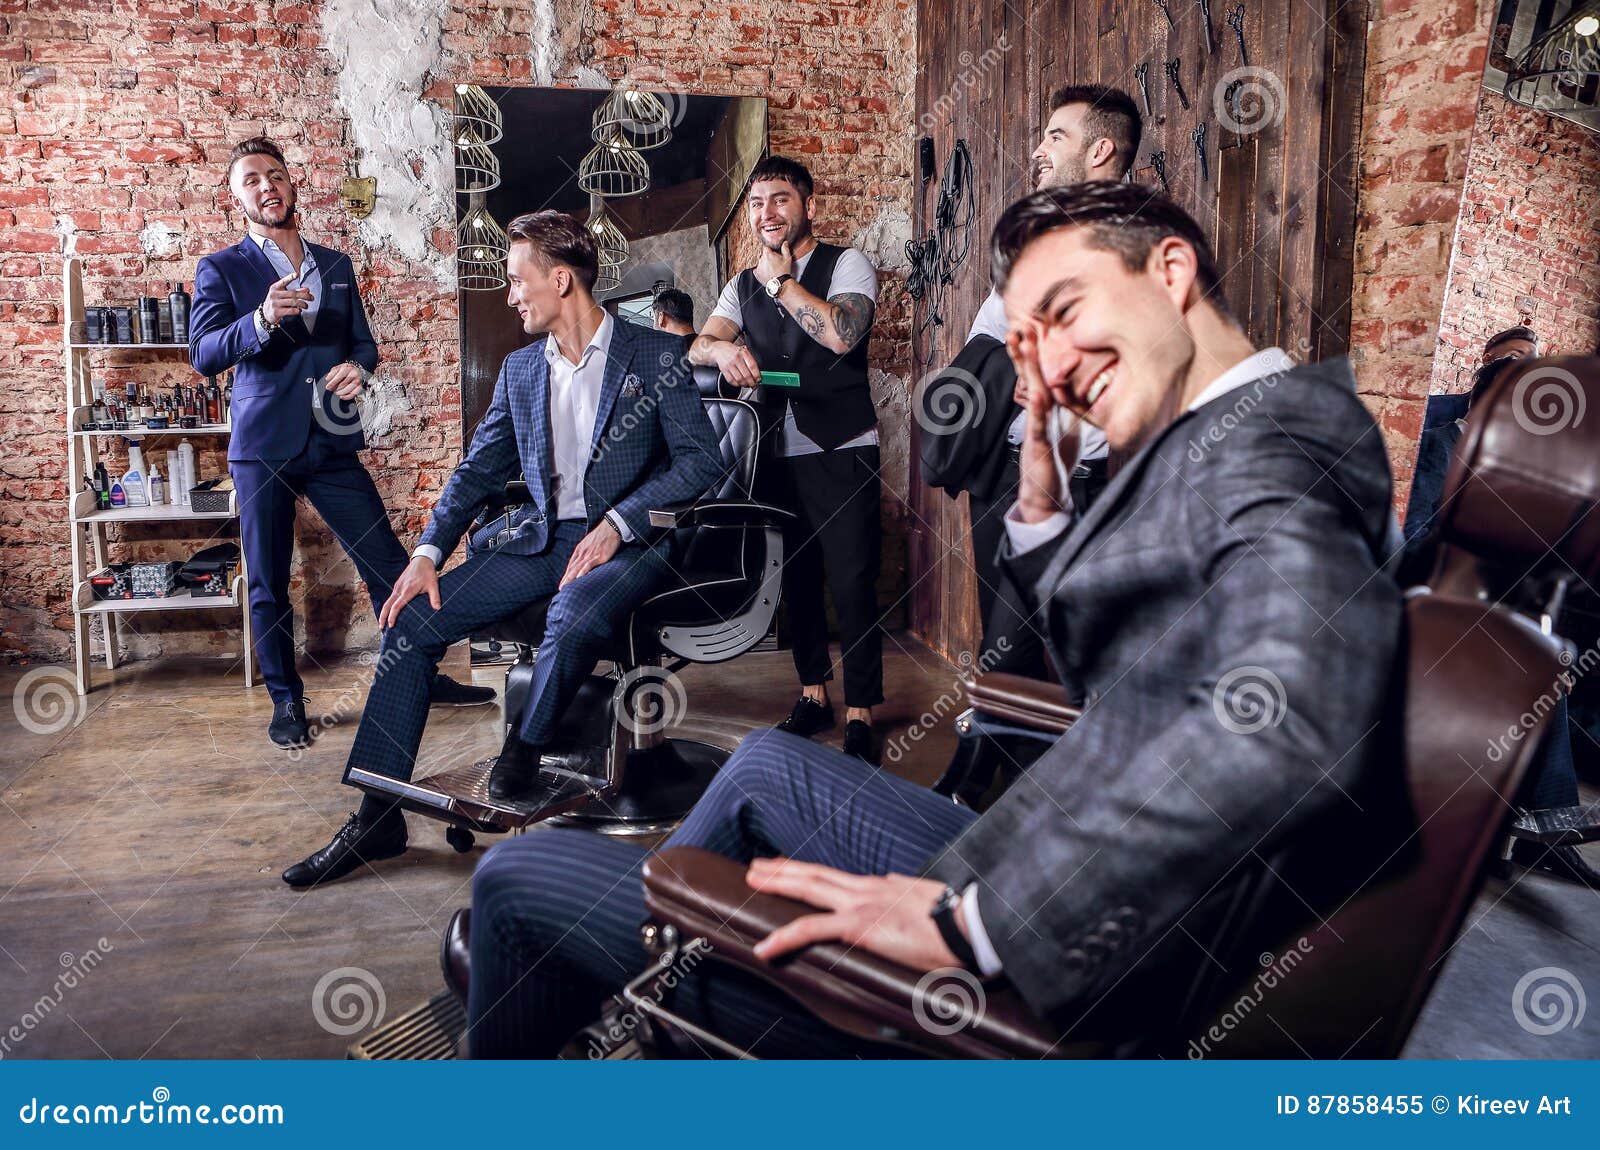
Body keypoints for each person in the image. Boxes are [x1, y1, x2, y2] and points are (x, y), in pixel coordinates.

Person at [462, 183, 1403, 1057]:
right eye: (1032, 339)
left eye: (1067, 312)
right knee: (760, 761)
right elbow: (1130, 685)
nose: (1055, 367)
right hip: (1054, 858)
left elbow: (1288, 716)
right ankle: (667, 984)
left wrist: (974, 925)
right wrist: (1039, 518)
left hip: (1074, 954)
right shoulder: (1225, 432)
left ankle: (661, 994)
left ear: (1170, 271)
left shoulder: (1280, 438)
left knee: (515, 884)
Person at [279, 211, 724, 889]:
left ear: (562, 278)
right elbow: (477, 472)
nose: (511, 295)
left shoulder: (654, 356)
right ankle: (378, 817)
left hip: (636, 544)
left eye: (518, 281)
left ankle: (523, 751)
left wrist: (621, 523)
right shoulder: (520, 372)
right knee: (411, 621)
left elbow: (699, 464)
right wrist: (428, 553)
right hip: (546, 540)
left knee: (571, 615)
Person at [189, 137, 492, 751]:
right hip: (263, 445)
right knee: (270, 578)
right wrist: (262, 319)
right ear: (235, 197)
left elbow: (364, 343)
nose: (266, 186)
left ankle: (420, 672)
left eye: (274, 174)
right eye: (251, 180)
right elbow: (203, 355)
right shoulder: (222, 269)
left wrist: (359, 367)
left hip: (330, 437)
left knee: (385, 560)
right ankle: (286, 701)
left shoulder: (334, 264)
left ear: (292, 183)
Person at [933, 84, 1142, 682]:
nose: (1039, 151)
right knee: (1007, 649)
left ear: (1101, 150)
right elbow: (986, 335)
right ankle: (1009, 768)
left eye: (1056, 136)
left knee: (1027, 649)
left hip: (1073, 480)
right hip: (1002, 469)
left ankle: (976, 773)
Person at [689, 156, 885, 762]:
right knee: (795, 578)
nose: (766, 212)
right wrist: (722, 353)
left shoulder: (844, 264)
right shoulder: (739, 283)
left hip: (843, 445)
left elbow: (842, 334)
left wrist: (782, 284)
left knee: (852, 580)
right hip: (774, 449)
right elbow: (701, 341)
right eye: (756, 203)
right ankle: (813, 694)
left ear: (807, 207)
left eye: (780, 199)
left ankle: (860, 710)